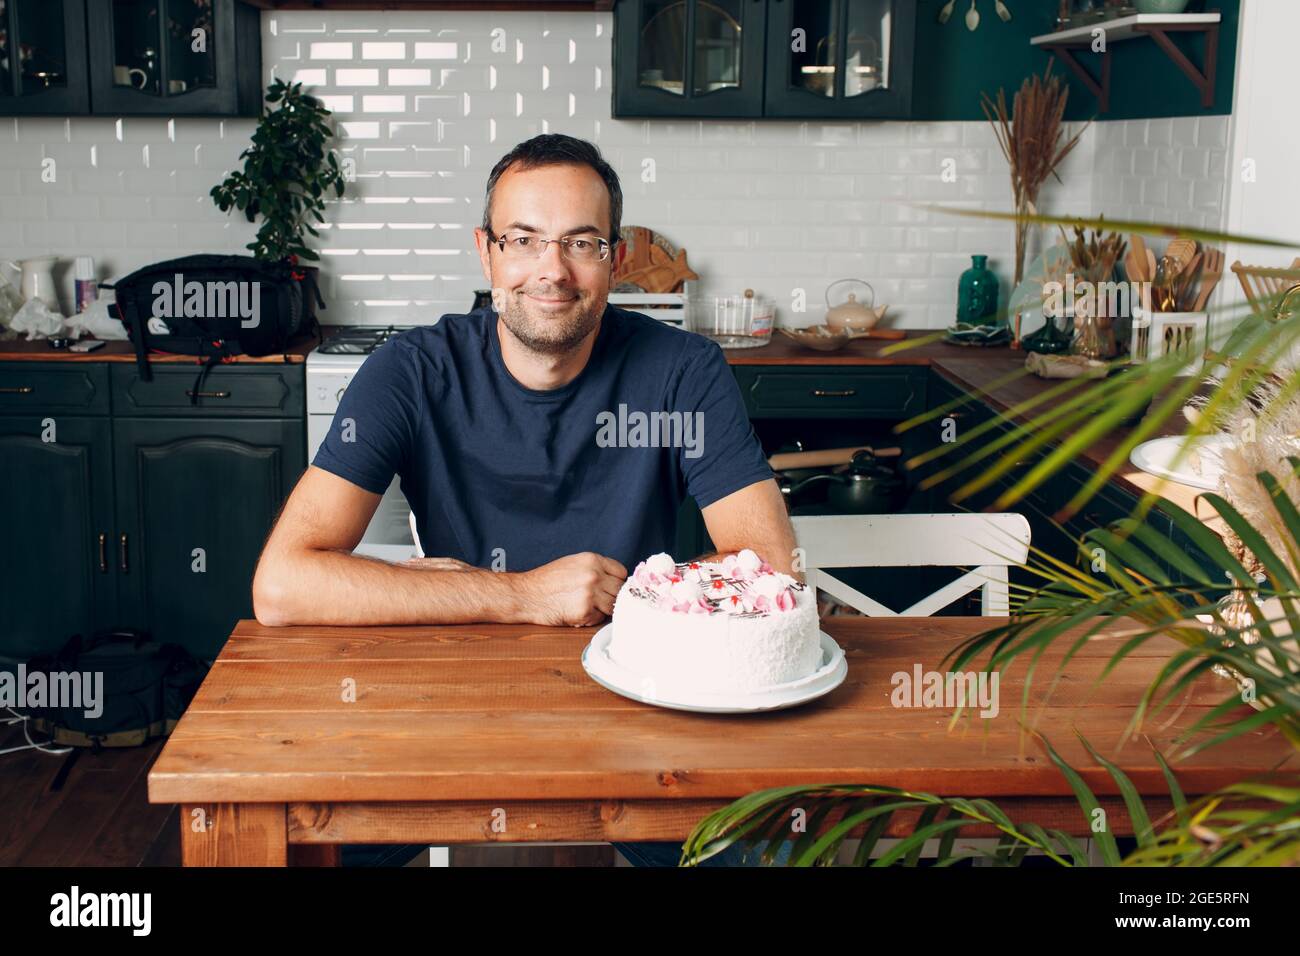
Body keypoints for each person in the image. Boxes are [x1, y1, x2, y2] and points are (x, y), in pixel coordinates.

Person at [252, 133, 800, 867]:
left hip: (651, 695)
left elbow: (770, 564)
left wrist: (631, 603)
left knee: (751, 855)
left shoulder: (684, 370)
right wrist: (519, 595)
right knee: (311, 843)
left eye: (581, 242)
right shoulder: (409, 372)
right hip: (452, 698)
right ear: (486, 253)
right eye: (524, 240)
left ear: (618, 259)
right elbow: (282, 585)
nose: (553, 271)